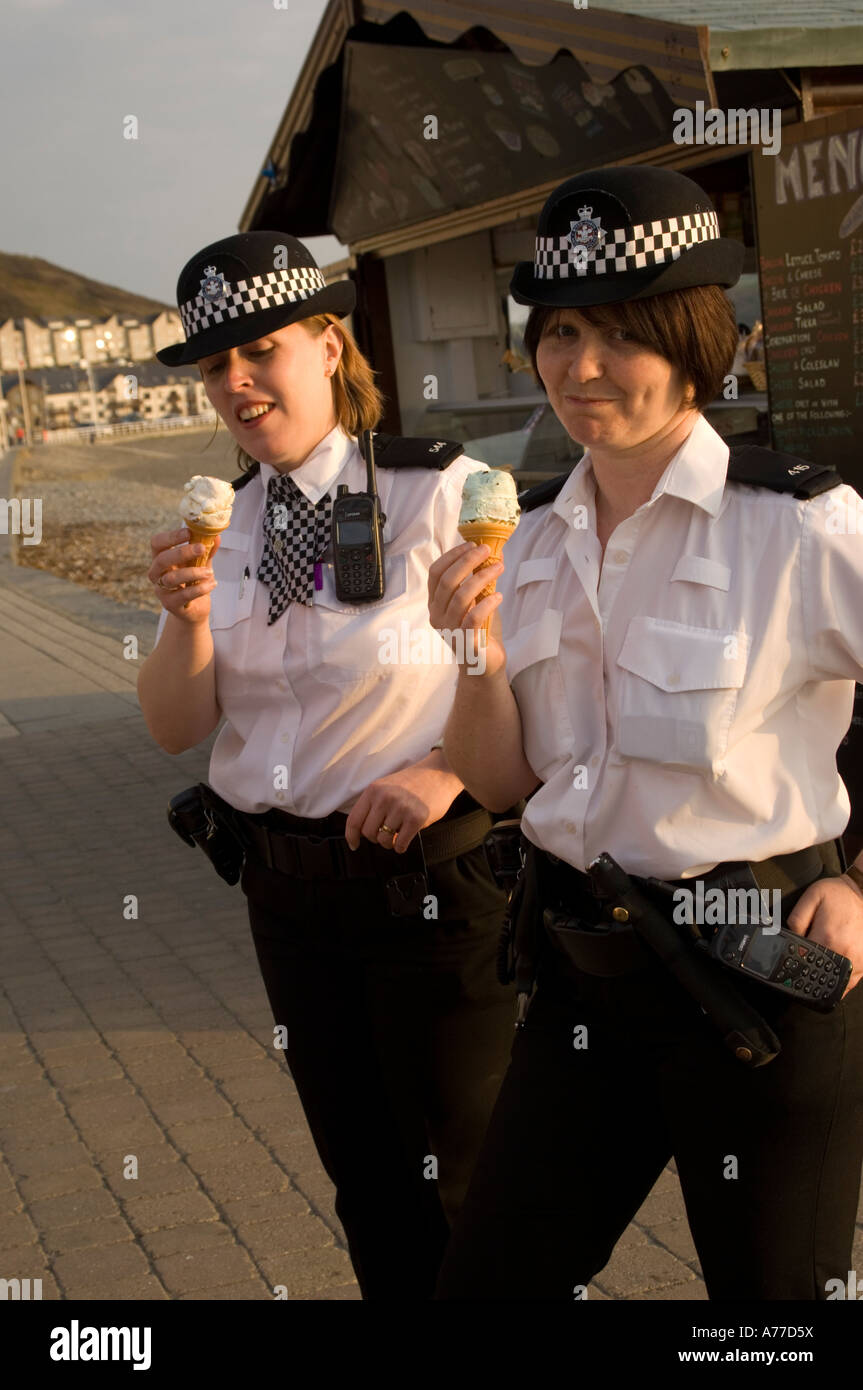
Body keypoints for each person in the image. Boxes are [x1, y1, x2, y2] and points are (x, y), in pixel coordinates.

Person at [427, 166, 863, 1301]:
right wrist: (468, 645)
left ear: (691, 340)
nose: (578, 367)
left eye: (620, 334)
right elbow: (504, 778)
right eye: (560, 330)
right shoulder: (522, 546)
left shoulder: (800, 525)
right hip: (582, 980)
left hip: (754, 979)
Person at [136, 231, 516, 1300]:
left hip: (427, 894)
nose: (236, 381)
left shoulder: (440, 493)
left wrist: (446, 768)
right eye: (214, 364)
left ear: (329, 341)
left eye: (260, 348)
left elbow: (536, 681)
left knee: (463, 1185)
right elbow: (176, 725)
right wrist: (183, 620)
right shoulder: (227, 525)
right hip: (285, 899)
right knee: (364, 1184)